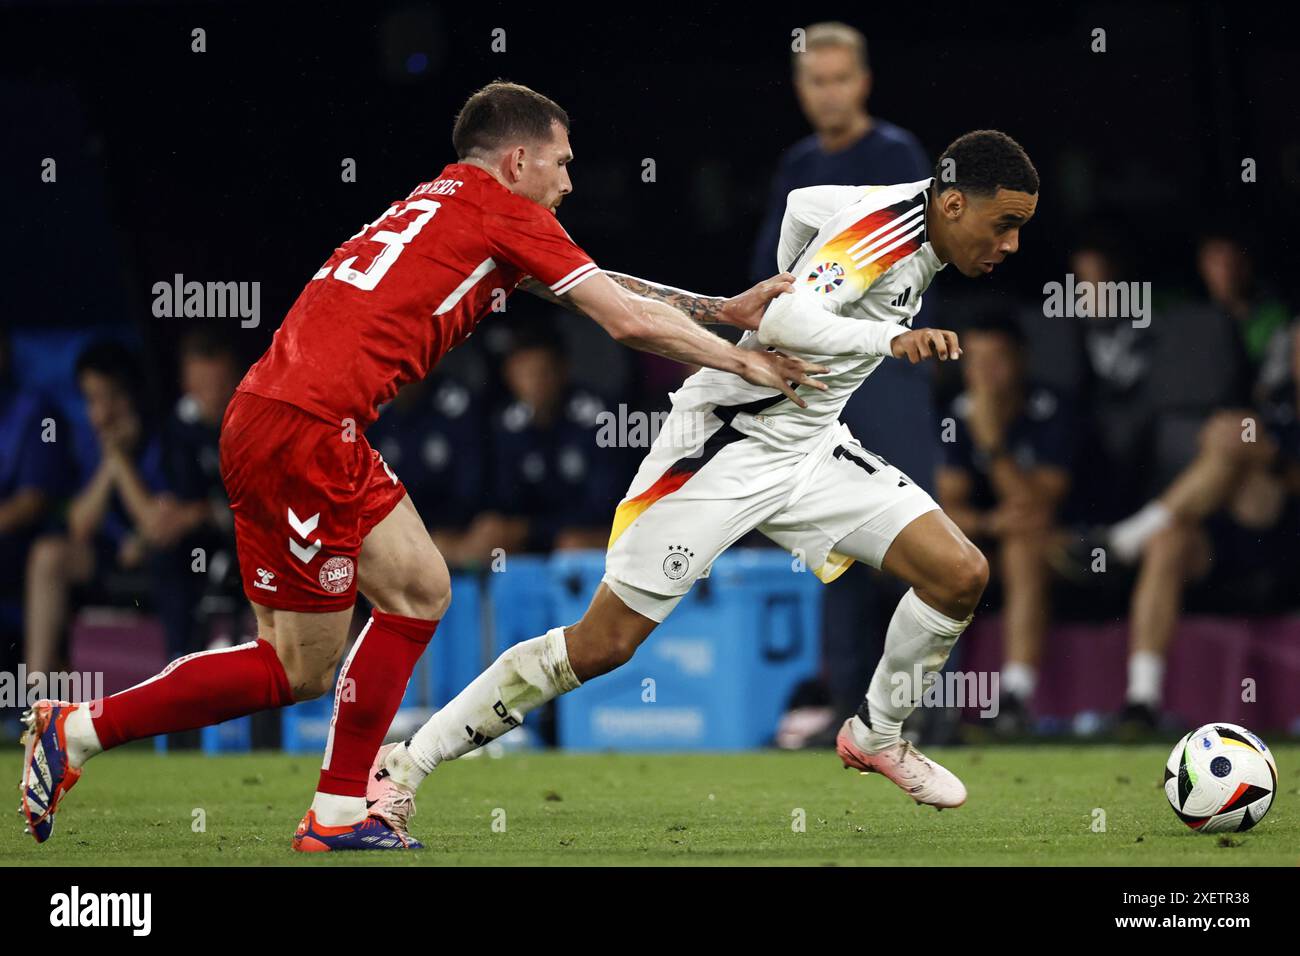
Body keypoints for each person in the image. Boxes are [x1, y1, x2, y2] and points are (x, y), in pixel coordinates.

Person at [20, 80, 825, 850]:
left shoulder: (446, 199)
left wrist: (716, 307)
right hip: (303, 432)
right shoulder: (504, 213)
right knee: (297, 665)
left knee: (418, 590)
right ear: (517, 163)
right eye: (563, 161)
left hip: (289, 420)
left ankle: (332, 807)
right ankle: (88, 732)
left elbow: (582, 285)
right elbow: (619, 321)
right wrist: (740, 359)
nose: (571, 181)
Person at [368, 130, 1038, 829]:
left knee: (958, 573)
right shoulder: (883, 235)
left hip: (808, 448)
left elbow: (804, 206)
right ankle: (406, 763)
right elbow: (784, 313)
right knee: (603, 645)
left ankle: (877, 734)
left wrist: (793, 276)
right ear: (956, 204)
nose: (1012, 245)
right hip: (722, 446)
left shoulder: (904, 207)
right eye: (1005, 226)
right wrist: (881, 337)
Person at [749, 22, 939, 736]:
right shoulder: (796, 162)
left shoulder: (898, 155)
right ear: (801, 89)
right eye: (814, 81)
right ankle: (846, 713)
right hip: (819, 381)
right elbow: (773, 268)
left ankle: (920, 717)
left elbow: (914, 266)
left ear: (863, 81)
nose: (828, 93)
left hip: (886, 375)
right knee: (836, 548)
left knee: (914, 542)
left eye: (839, 79)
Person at [935, 315, 1074, 732]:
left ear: (1022, 361)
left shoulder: (1054, 410)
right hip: (990, 540)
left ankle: (1015, 697)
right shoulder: (953, 417)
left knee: (1023, 546)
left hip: (1071, 543)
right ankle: (927, 703)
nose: (985, 373)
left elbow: (1034, 508)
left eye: (997, 360)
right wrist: (991, 523)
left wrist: (993, 442)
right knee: (932, 551)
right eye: (974, 361)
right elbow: (944, 510)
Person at [22, 342, 166, 682]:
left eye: (112, 397)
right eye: (92, 400)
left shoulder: (163, 439)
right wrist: (112, 461)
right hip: (108, 557)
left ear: (134, 395)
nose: (102, 413)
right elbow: (80, 526)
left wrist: (124, 465)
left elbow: (155, 522)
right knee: (48, 555)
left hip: (165, 558)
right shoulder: (90, 443)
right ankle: (35, 694)